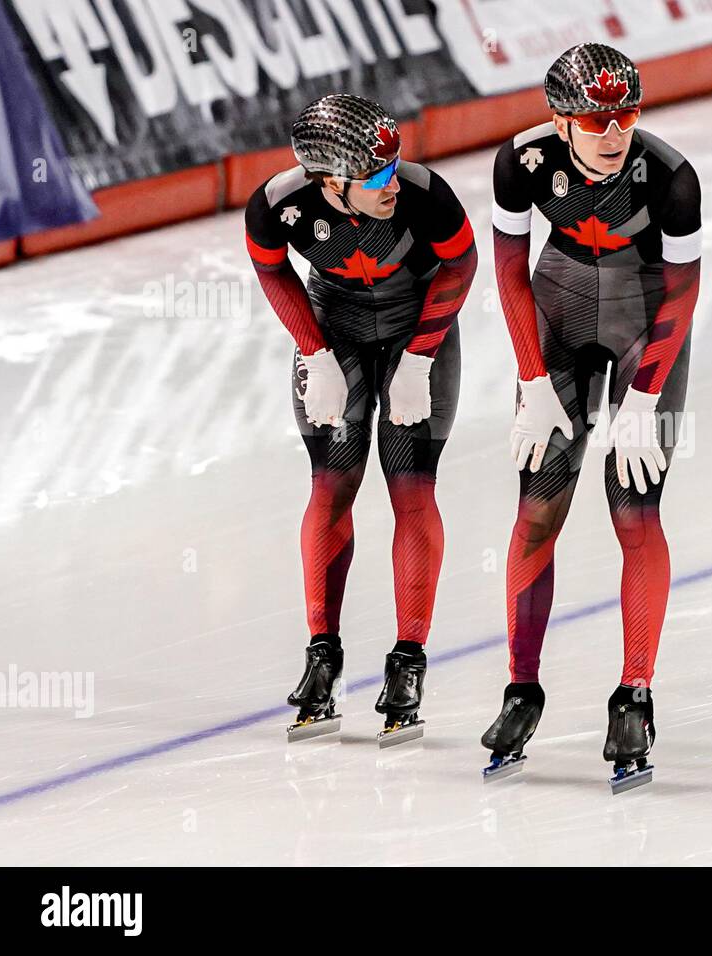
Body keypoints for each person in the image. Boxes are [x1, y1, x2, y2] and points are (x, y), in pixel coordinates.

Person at [478, 43, 702, 790]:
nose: (613, 134)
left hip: (647, 321)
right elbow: (510, 273)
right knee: (539, 509)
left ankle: (634, 694)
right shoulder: (522, 163)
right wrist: (532, 379)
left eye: (626, 116)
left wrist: (644, 399)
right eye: (595, 119)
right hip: (560, 310)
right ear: (558, 120)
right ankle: (521, 687)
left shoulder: (672, 177)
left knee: (634, 513)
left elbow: (681, 292)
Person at [244, 94, 477, 745]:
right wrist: (315, 353)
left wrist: (421, 359)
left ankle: (408, 663)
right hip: (335, 327)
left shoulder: (427, 195)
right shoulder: (276, 205)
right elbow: (272, 272)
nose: (391, 184)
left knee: (410, 486)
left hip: (416, 328)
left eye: (394, 165)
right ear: (328, 182)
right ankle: (323, 657)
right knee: (332, 482)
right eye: (374, 176)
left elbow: (461, 263)